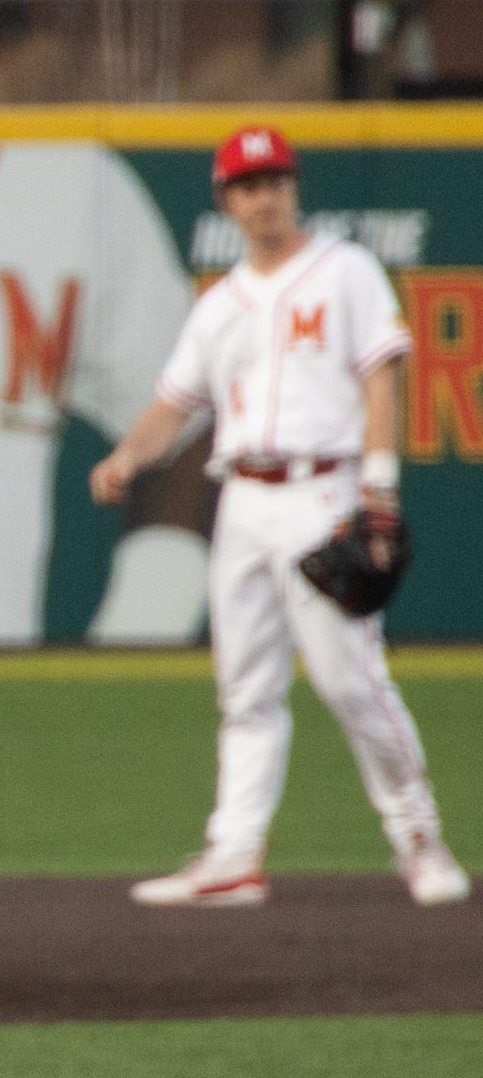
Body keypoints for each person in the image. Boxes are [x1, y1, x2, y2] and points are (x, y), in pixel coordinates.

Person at [91, 125, 467, 907]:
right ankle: (234, 853)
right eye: (248, 185)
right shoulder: (221, 304)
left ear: (294, 188)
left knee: (351, 682)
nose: (266, 198)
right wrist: (128, 457)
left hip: (322, 493)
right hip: (243, 503)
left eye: (276, 181)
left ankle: (420, 840)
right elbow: (176, 404)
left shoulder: (346, 270)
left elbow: (380, 382)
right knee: (246, 689)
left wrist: (380, 494)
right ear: (227, 201)